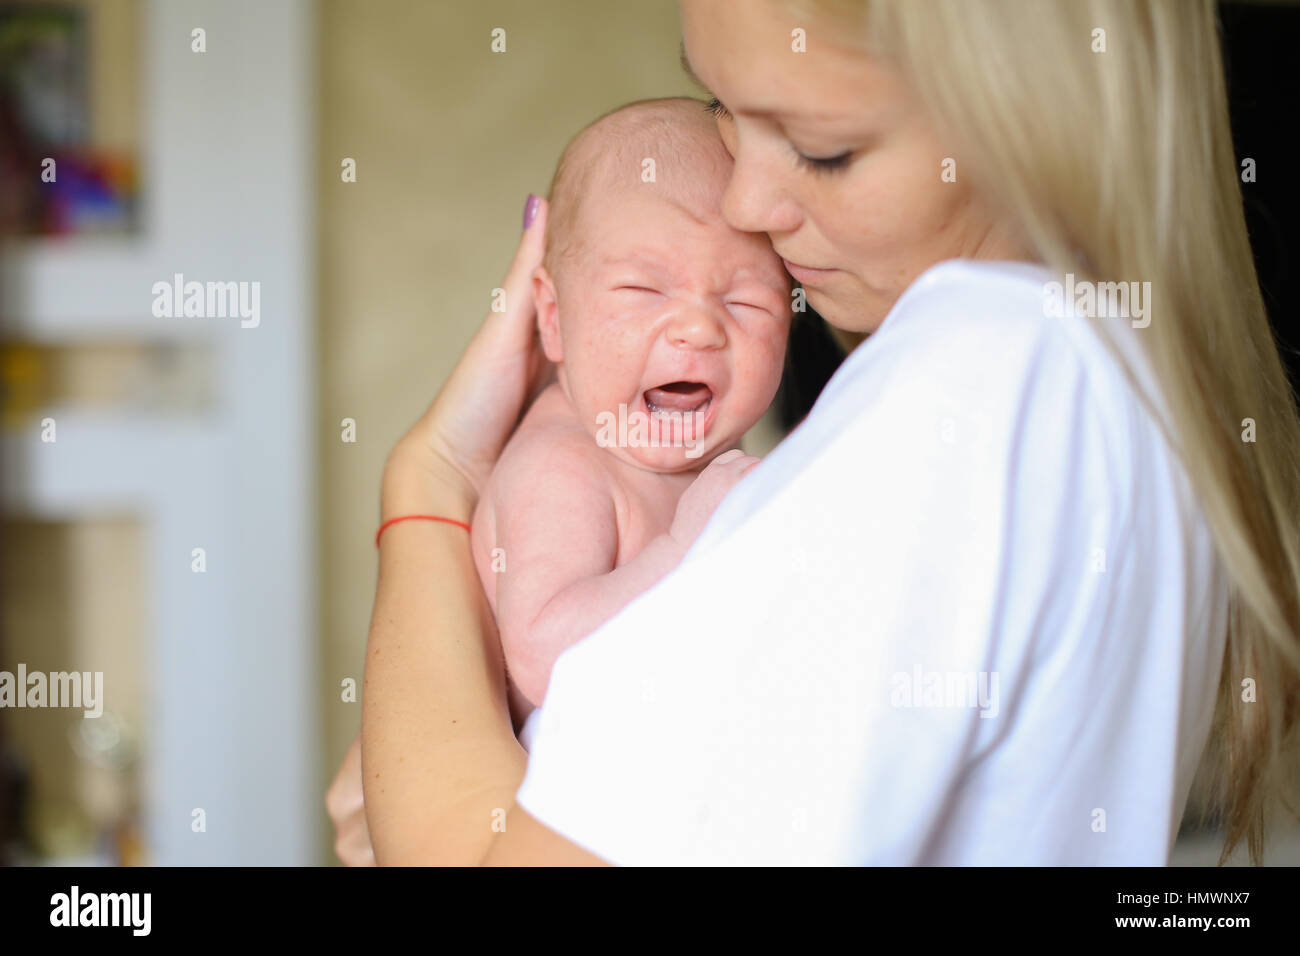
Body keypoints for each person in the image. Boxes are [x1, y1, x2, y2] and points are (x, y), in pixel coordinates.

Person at [328, 0, 1300, 865]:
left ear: (1032, 118)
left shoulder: (978, 382)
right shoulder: (1105, 370)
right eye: (721, 107)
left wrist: (429, 479)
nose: (746, 205)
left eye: (821, 146)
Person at [466, 98, 791, 735]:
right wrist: (679, 550)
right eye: (644, 291)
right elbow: (541, 657)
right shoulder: (563, 464)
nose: (700, 328)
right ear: (554, 319)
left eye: (746, 300)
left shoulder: (715, 454)